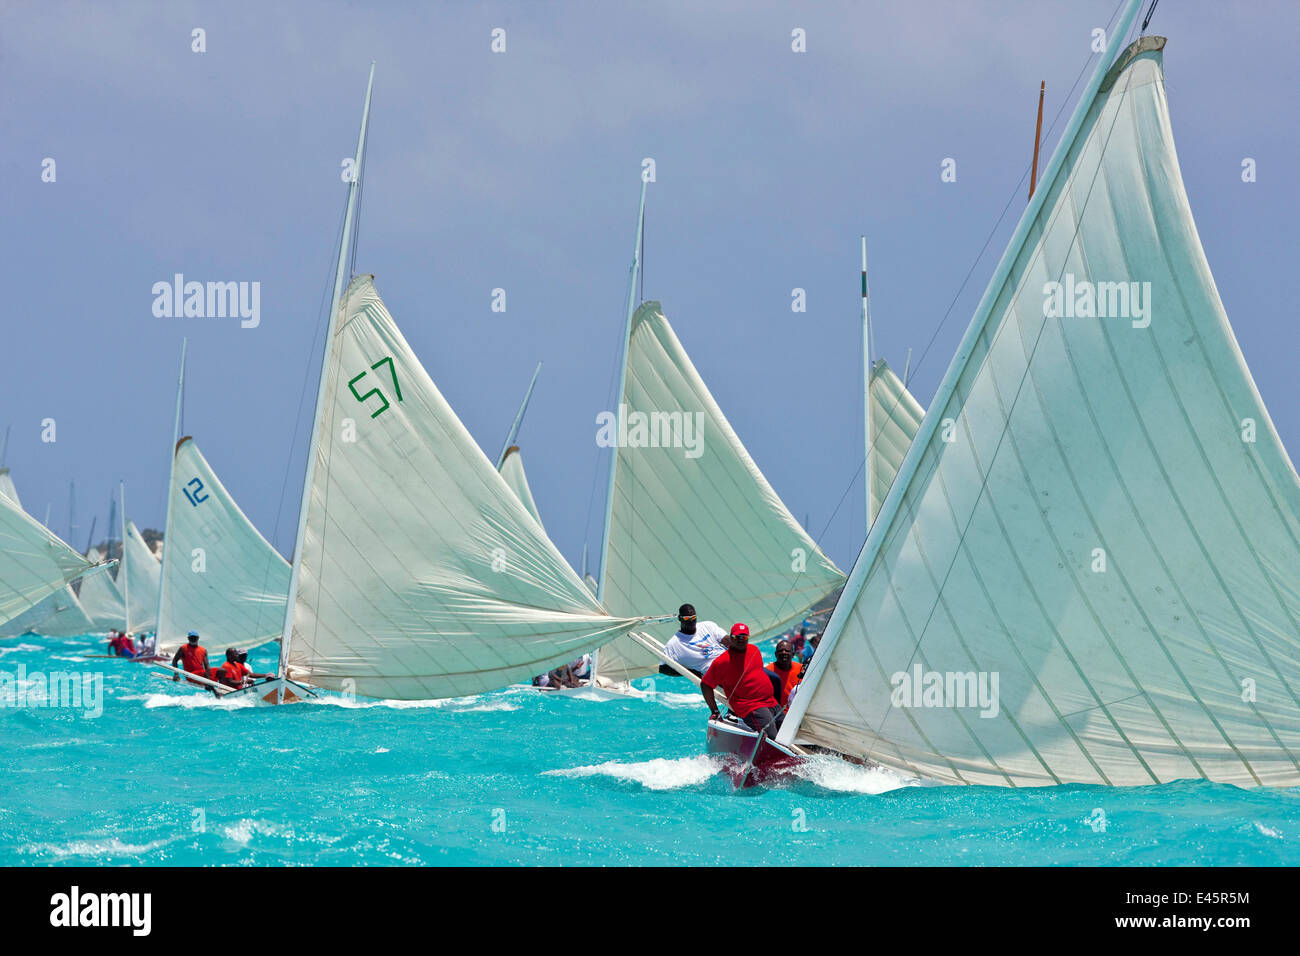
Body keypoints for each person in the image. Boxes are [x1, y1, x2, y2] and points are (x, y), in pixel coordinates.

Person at [700, 623, 782, 736]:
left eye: (743, 637)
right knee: (772, 736)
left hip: (770, 701)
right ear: (731, 637)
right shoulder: (721, 662)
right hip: (751, 706)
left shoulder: (754, 650)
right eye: (737, 637)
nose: (740, 640)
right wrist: (714, 711)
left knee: (788, 731)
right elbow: (705, 684)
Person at [660, 604, 727, 678]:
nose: (691, 621)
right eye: (686, 618)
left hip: (729, 660)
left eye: (693, 617)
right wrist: (692, 673)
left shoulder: (708, 626)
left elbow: (727, 640)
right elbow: (663, 668)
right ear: (680, 618)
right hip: (715, 672)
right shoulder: (673, 644)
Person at [766, 639, 803, 708]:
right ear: (775, 654)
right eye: (780, 651)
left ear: (793, 654)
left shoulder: (802, 669)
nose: (784, 652)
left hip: (796, 711)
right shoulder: (768, 672)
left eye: (787, 651)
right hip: (776, 713)